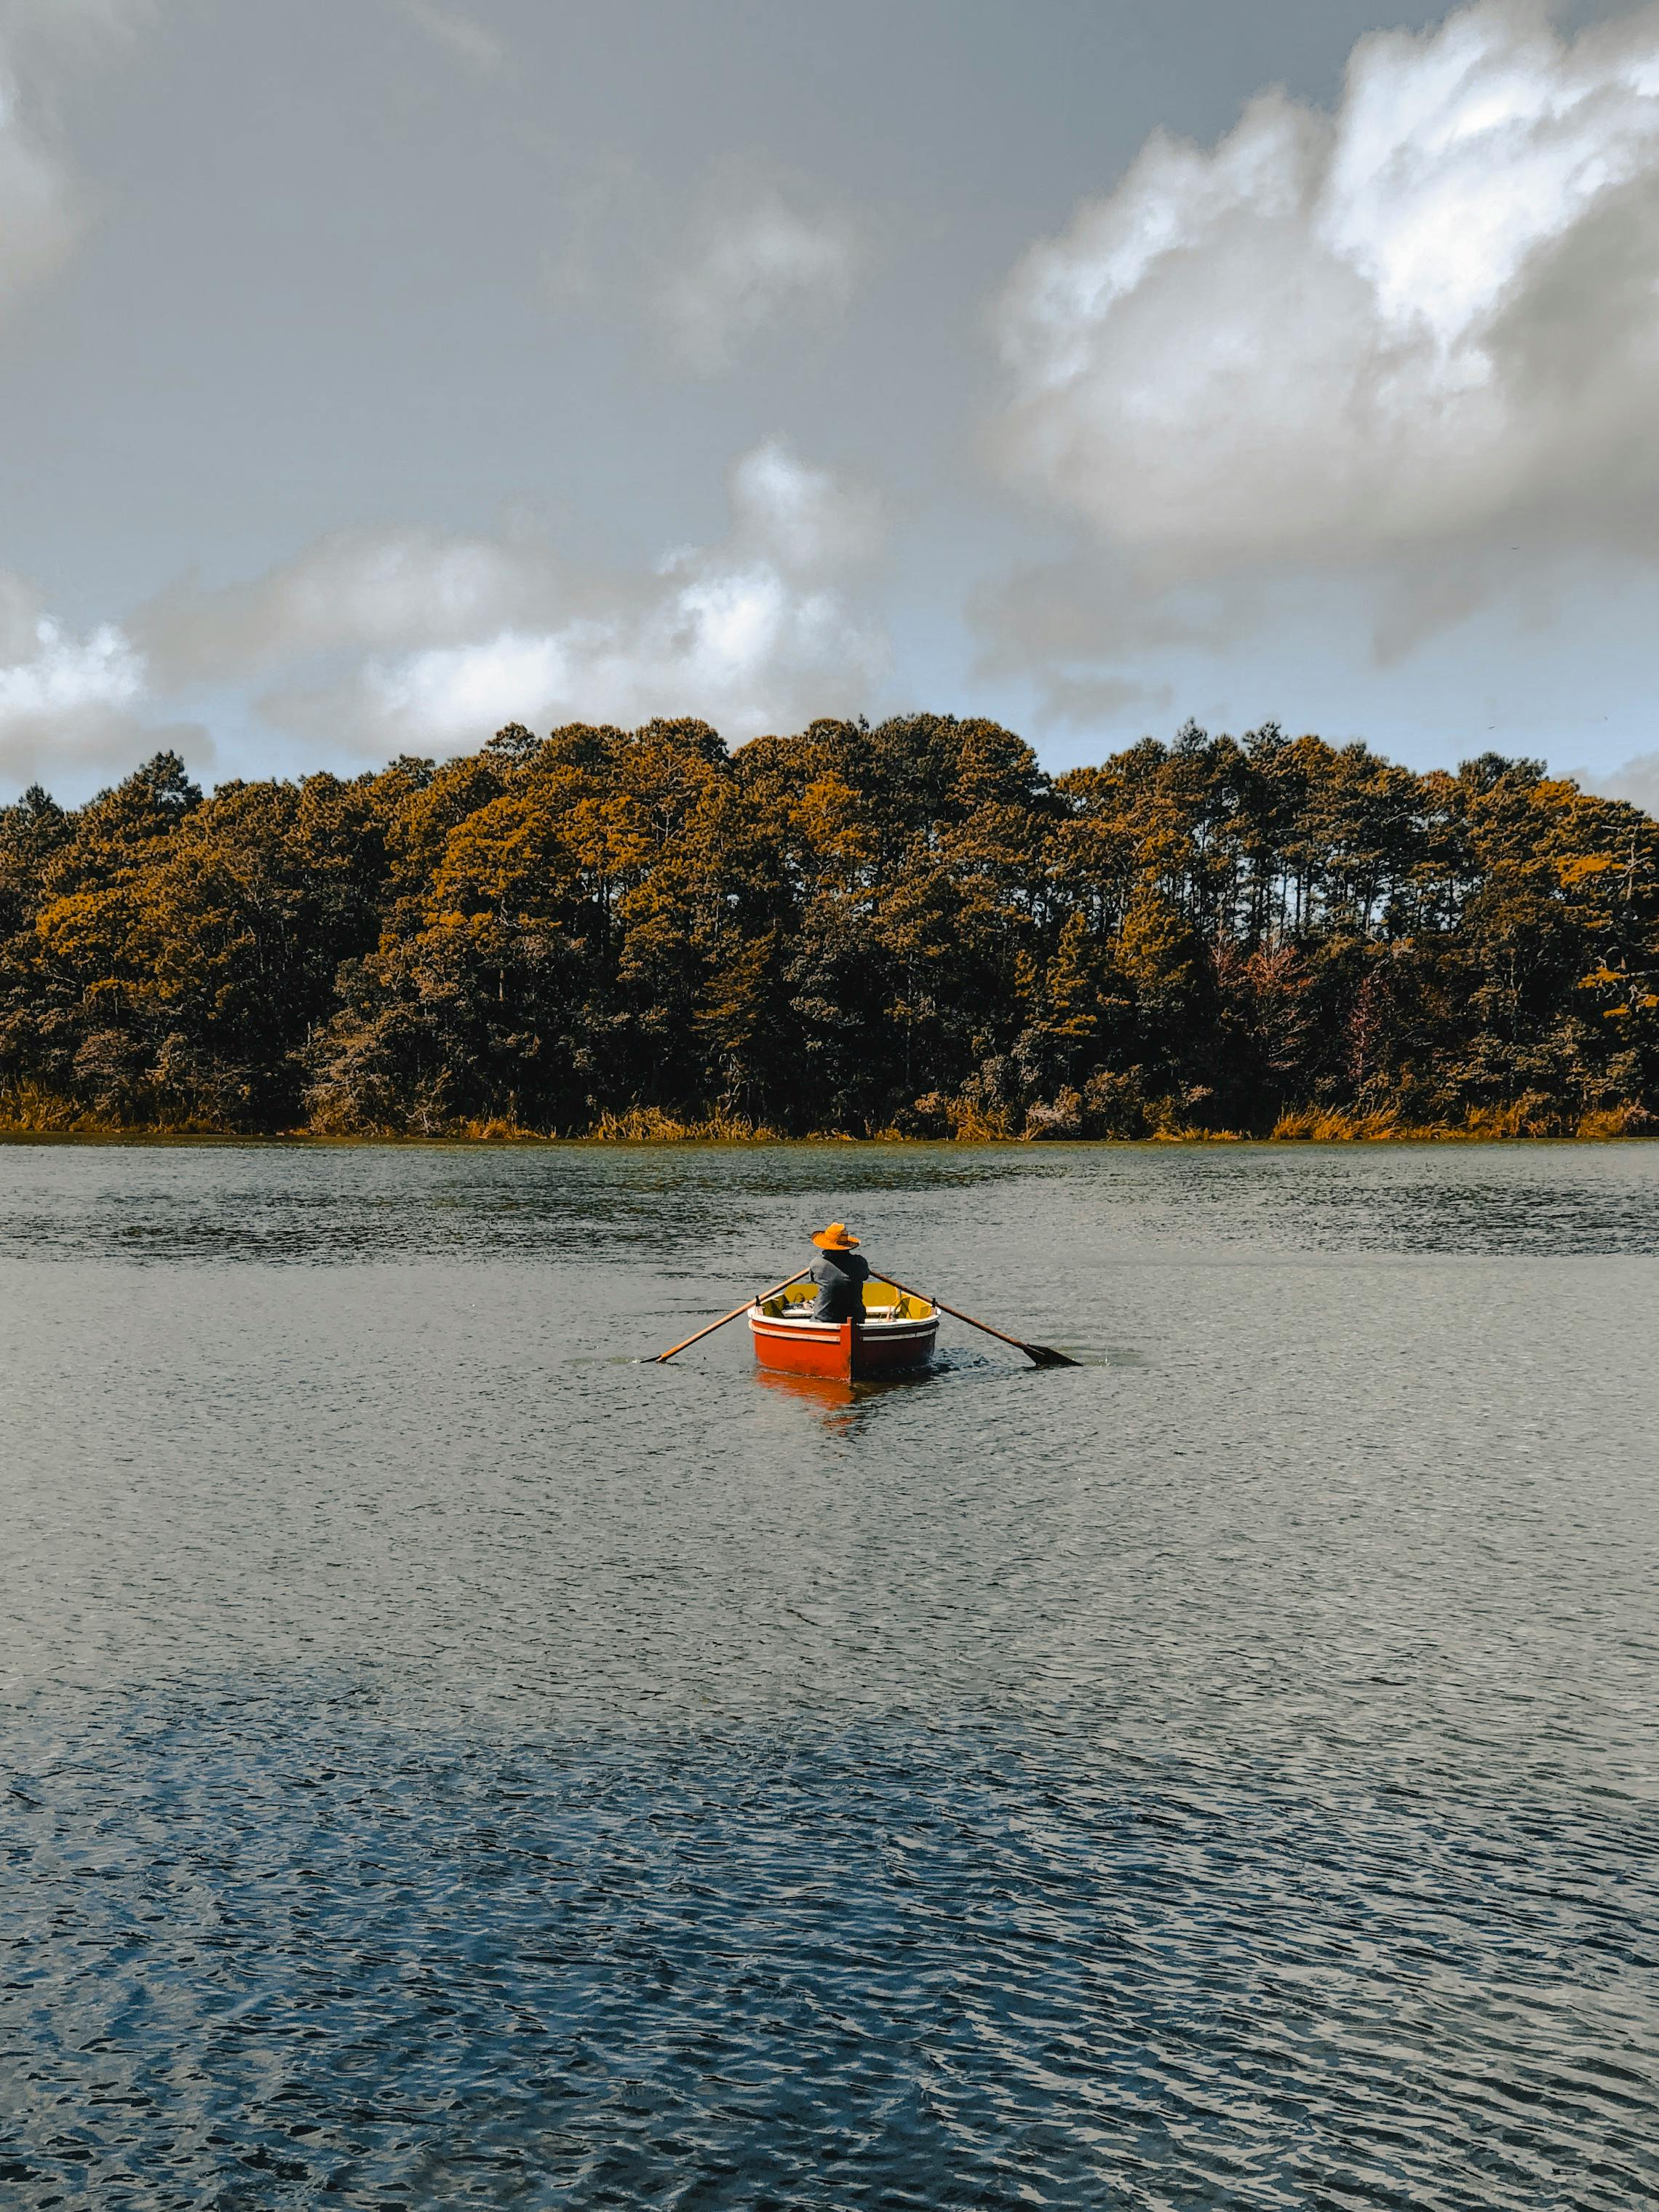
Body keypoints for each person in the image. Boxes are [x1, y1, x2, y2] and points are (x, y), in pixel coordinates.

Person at [804, 1222, 870, 1323]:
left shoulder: (817, 1264)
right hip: (856, 1321)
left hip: (824, 1321)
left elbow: (814, 1278)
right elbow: (865, 1275)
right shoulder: (860, 1263)